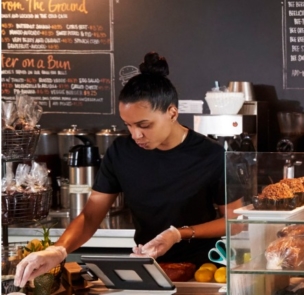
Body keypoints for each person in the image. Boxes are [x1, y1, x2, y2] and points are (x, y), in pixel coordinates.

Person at [15, 52, 244, 287]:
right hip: (148, 270)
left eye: (144, 125)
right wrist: (57, 250)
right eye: (129, 125)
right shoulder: (121, 152)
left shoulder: (211, 155)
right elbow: (90, 217)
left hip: (203, 273)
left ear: (172, 113)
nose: (136, 135)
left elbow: (235, 221)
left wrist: (178, 234)